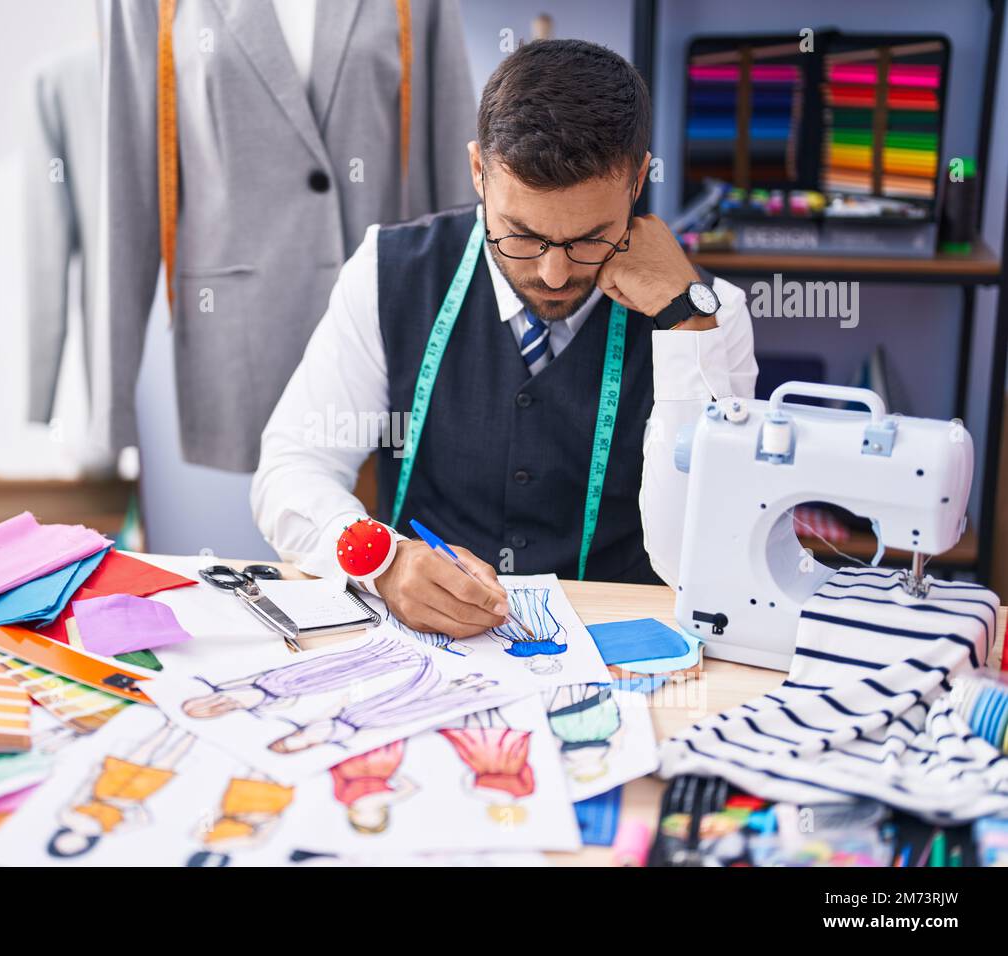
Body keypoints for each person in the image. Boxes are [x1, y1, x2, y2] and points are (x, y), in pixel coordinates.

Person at [252, 39, 757, 638]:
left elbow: (708, 554)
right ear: (478, 172)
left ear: (639, 179)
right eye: (521, 235)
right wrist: (381, 559)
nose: (553, 274)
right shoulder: (390, 271)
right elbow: (291, 465)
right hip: (430, 647)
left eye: (590, 239)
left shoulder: (709, 312)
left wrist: (684, 328)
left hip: (625, 643)